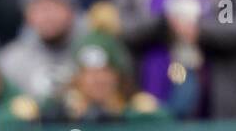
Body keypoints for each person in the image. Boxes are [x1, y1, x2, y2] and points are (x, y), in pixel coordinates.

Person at [39, 28, 170, 121]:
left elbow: (166, 121)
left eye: (104, 71)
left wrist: (127, 116)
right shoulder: (64, 111)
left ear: (118, 76)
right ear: (77, 78)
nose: (97, 79)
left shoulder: (137, 107)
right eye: (88, 73)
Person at [0, 0, 84, 102]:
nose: (46, 16)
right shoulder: (12, 61)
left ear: (71, 8)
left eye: (54, 5)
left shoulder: (93, 49)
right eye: (38, 7)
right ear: (26, 14)